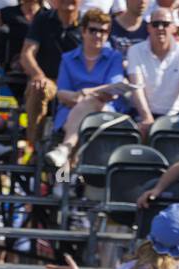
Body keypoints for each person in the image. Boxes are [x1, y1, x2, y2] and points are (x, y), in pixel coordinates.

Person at [44, 8, 125, 170]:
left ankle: (64, 171)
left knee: (88, 106)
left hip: (104, 111)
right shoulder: (68, 59)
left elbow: (113, 91)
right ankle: (67, 176)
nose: (98, 35)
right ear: (83, 31)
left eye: (103, 31)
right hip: (70, 110)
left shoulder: (114, 57)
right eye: (93, 30)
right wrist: (78, 96)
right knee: (79, 119)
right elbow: (61, 93)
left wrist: (86, 93)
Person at [125, 7, 179, 138]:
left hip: (174, 117)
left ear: (173, 28)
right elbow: (137, 88)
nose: (160, 28)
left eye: (165, 24)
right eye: (155, 24)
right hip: (141, 115)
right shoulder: (135, 51)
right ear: (148, 28)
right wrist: (147, 118)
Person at [21, 0, 81, 146]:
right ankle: (35, 147)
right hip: (50, 81)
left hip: (77, 85)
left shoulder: (87, 24)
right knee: (38, 87)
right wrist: (38, 75)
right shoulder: (42, 19)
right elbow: (27, 53)